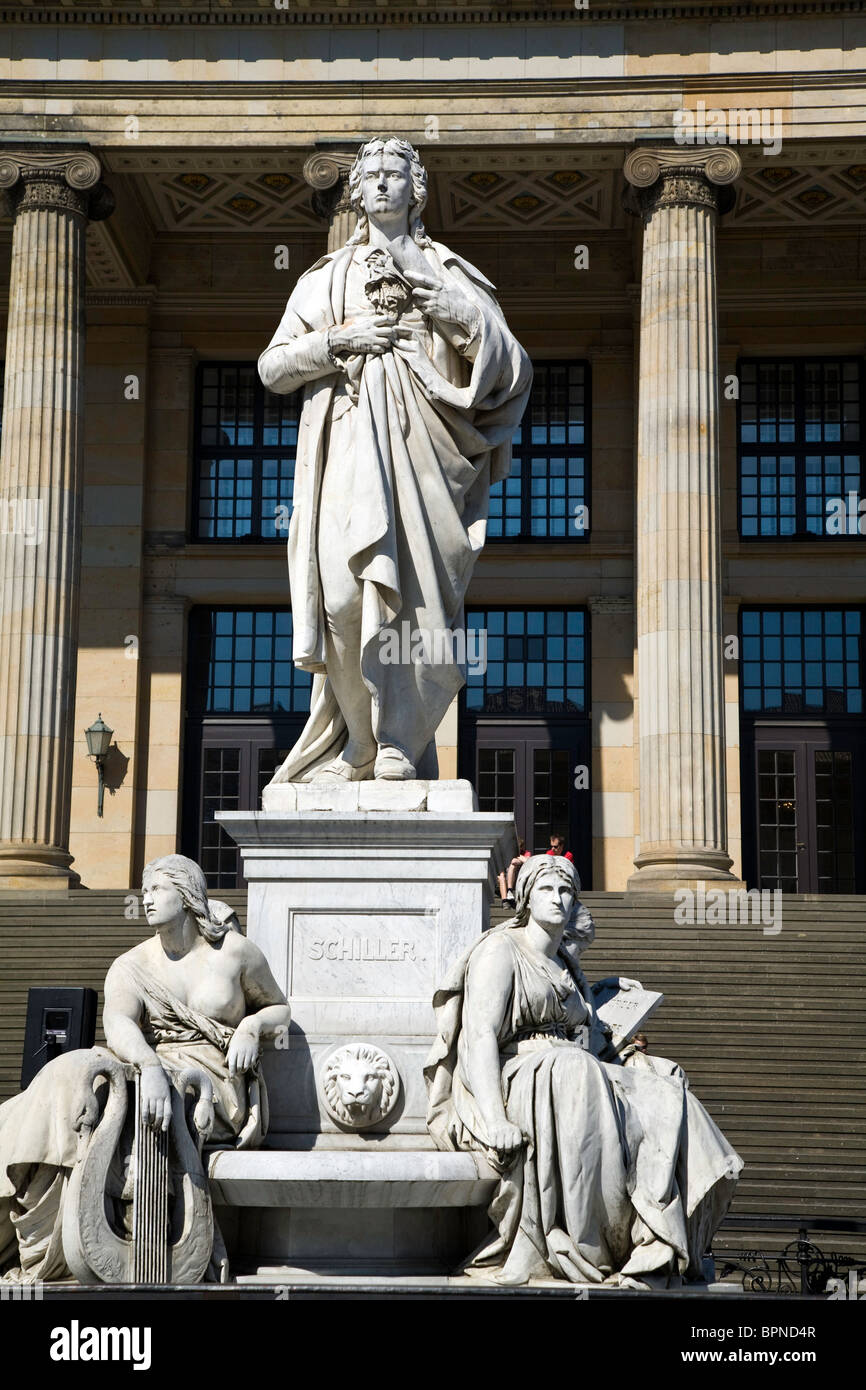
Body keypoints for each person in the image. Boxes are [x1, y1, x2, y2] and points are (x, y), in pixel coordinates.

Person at [258, 137, 532, 784]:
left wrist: (458, 314)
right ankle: (358, 738)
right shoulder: (325, 279)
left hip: (429, 455)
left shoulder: (450, 271)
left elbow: (513, 367)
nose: (381, 185)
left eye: (394, 175)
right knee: (345, 599)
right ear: (353, 192)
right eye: (371, 176)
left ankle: (397, 742)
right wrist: (335, 341)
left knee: (420, 610)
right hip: (351, 446)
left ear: (418, 189)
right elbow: (273, 366)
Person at [425, 854, 743, 1287]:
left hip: (570, 1068)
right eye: (546, 890)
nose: (558, 899)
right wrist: (494, 1118)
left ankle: (654, 1239)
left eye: (566, 891)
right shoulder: (499, 951)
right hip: (518, 1074)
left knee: (665, 1084)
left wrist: (606, 994)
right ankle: (589, 1241)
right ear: (525, 898)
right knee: (576, 1070)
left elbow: (580, 1033)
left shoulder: (566, 964)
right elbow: (479, 1036)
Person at [0, 854, 290, 1284]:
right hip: (150, 1062)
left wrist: (251, 1026)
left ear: (188, 894)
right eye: (144, 889)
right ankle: (32, 1217)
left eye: (157, 889)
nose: (146, 899)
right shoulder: (132, 965)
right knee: (72, 1072)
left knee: (144, 1095)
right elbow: (117, 1023)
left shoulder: (236, 954)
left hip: (213, 1079)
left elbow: (280, 1011)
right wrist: (149, 1064)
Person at [497, 838, 530, 907]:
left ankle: (509, 891)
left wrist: (517, 856)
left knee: (512, 865)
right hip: (504, 878)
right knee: (501, 876)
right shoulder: (506, 854)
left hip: (517, 879)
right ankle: (505, 900)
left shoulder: (526, 853)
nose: (517, 849)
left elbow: (528, 861)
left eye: (519, 847)